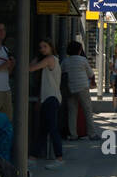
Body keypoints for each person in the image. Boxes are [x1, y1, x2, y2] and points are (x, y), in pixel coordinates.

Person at [30, 40, 63, 168]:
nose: (42, 49)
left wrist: (34, 59)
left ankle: (59, 158)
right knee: (43, 130)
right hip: (48, 98)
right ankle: (33, 156)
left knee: (51, 129)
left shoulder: (49, 59)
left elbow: (31, 68)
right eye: (40, 47)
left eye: (45, 46)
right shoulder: (53, 59)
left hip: (51, 98)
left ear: (51, 47)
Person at [62, 40, 96, 142]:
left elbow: (62, 72)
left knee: (72, 111)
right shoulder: (82, 60)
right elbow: (90, 74)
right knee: (87, 110)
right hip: (82, 88)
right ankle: (92, 134)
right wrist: (92, 82)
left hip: (70, 88)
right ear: (80, 50)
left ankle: (73, 135)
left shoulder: (65, 61)